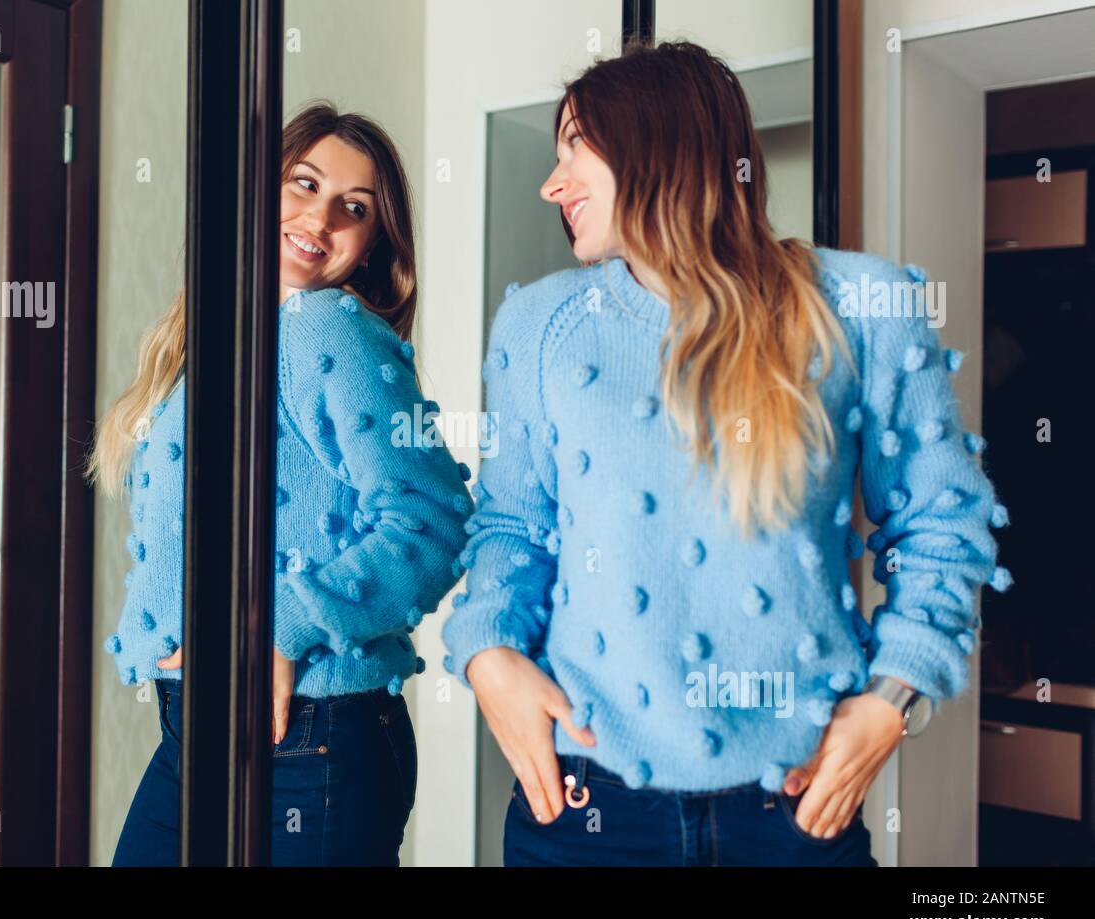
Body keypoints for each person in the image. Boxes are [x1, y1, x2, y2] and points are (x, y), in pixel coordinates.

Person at [441, 40, 1010, 866]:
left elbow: (942, 525)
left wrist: (892, 700)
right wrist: (487, 651)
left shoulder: (861, 304)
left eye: (575, 150)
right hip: (587, 809)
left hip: (792, 811)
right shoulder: (538, 325)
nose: (551, 184)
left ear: (658, 142)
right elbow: (512, 528)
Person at [95, 102, 471, 866]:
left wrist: (280, 624)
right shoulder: (221, 333)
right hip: (201, 728)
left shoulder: (324, 327)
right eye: (303, 184)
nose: (319, 217)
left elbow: (432, 520)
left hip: (310, 735)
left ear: (370, 246)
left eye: (353, 208)